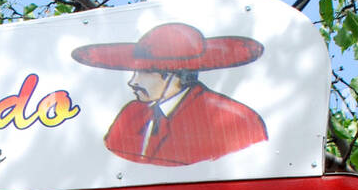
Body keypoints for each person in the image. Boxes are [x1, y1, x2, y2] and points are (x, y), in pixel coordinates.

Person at [71, 21, 268, 166]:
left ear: (174, 75)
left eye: (145, 72)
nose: (133, 81)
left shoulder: (237, 121)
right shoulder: (131, 114)